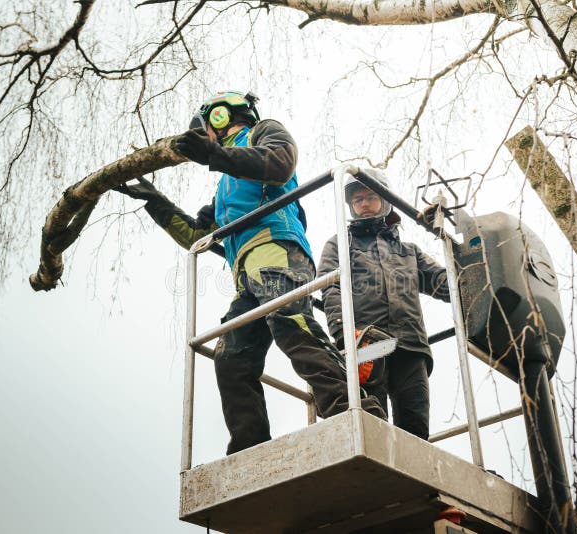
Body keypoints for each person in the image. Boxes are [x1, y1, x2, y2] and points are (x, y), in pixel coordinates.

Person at [116, 91, 384, 454]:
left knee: (293, 327)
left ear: (222, 116)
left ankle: (356, 412)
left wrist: (213, 155)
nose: (208, 136)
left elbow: (280, 164)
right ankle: (250, 444)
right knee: (231, 357)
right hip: (246, 277)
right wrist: (156, 202)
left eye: (209, 127)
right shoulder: (226, 183)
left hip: (278, 253)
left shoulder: (263, 133)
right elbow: (197, 235)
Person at [317, 169, 450, 440]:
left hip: (410, 345)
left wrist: (448, 238)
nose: (364, 204)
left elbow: (448, 285)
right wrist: (343, 334)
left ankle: (412, 482)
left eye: (371, 197)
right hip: (366, 343)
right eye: (357, 200)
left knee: (415, 429)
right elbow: (329, 287)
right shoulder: (340, 244)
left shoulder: (409, 252)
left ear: (386, 202)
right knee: (371, 424)